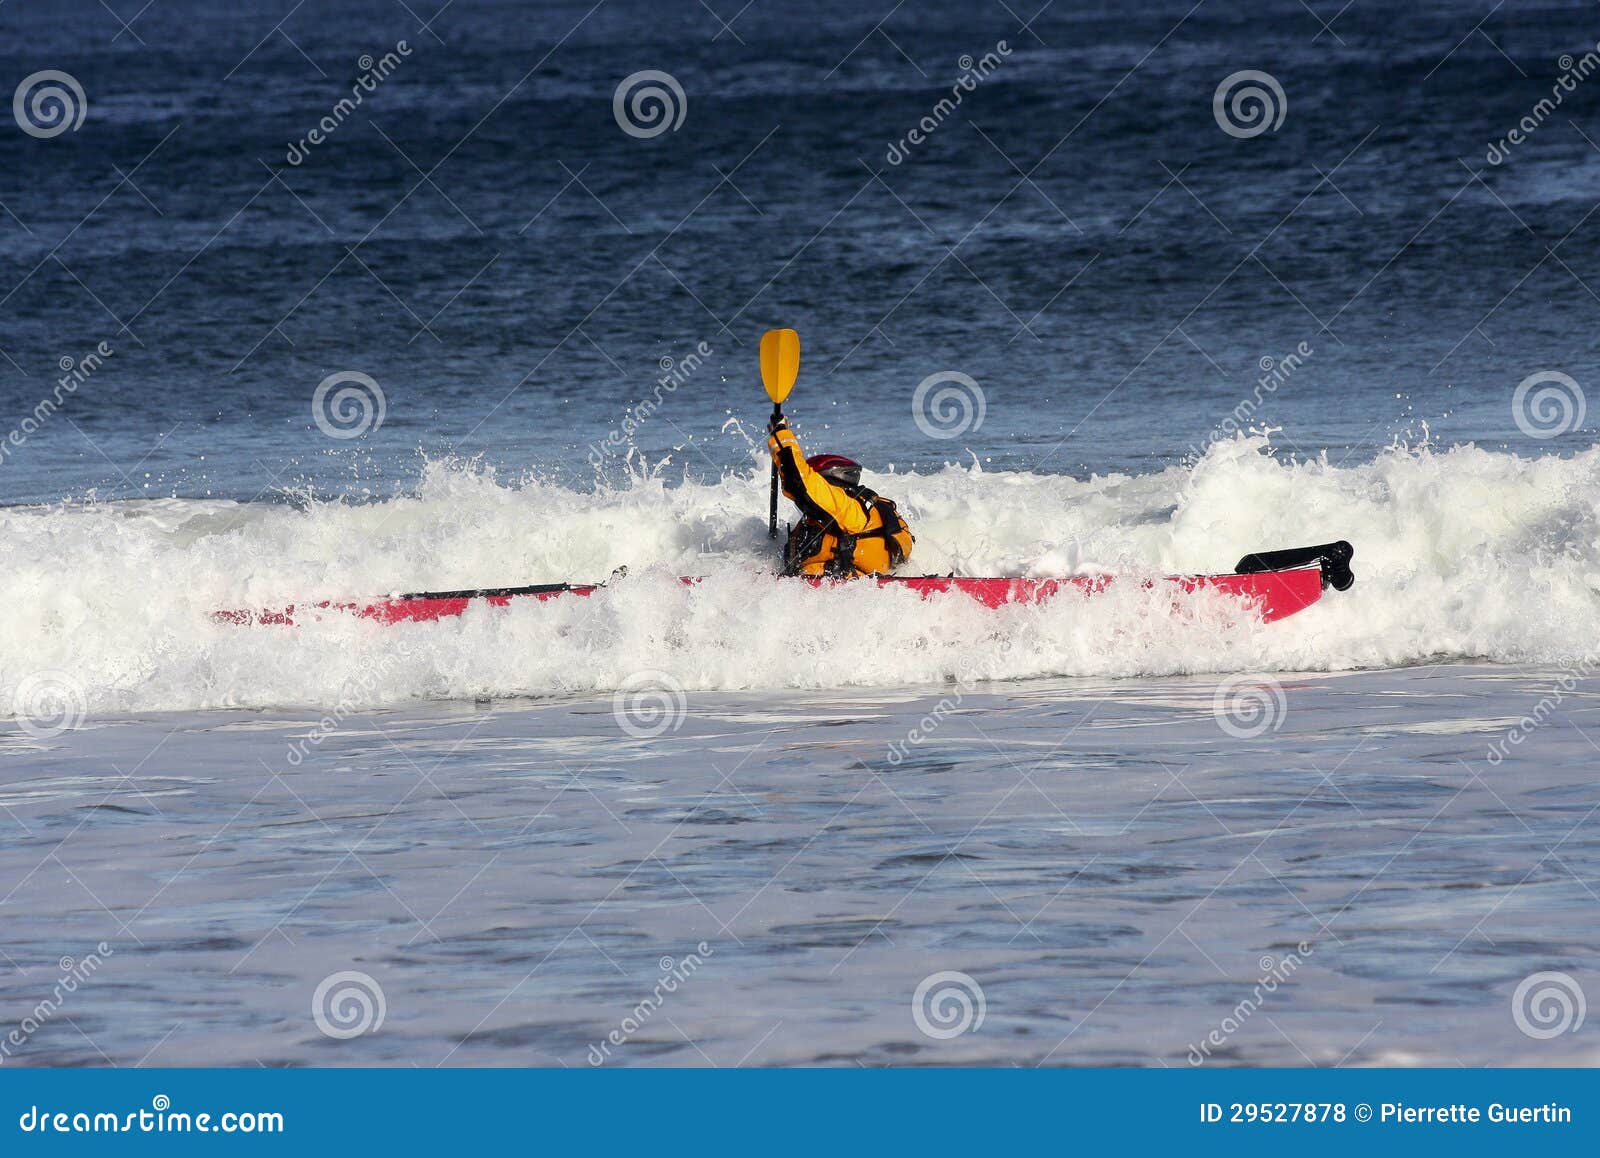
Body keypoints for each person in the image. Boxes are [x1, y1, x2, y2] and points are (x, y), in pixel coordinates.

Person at [767, 414, 914, 577]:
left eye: (819, 482)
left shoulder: (848, 509)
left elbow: (798, 481)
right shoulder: (824, 517)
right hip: (835, 587)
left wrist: (781, 434)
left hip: (852, 589)